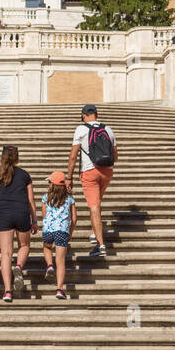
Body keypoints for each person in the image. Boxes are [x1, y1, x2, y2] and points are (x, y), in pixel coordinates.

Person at [67, 104, 117, 259]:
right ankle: (93, 233)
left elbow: (73, 156)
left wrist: (69, 177)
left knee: (94, 206)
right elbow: (115, 156)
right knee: (96, 202)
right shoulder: (108, 129)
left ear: (83, 115)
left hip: (89, 171)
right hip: (107, 171)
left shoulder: (81, 129)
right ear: (97, 114)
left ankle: (100, 244)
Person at [0, 145, 37, 302]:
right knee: (24, 246)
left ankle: (8, 291)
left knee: (6, 254)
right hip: (22, 212)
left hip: (4, 214)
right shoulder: (24, 175)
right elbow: (31, 200)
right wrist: (35, 220)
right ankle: (18, 267)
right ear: (17, 158)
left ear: (2, 158)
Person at [40, 170, 77, 299]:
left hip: (48, 230)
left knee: (47, 247)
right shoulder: (70, 199)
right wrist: (70, 232)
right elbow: (74, 219)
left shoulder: (45, 197)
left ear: (52, 184)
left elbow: (44, 215)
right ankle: (60, 289)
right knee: (61, 262)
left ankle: (50, 265)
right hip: (63, 231)